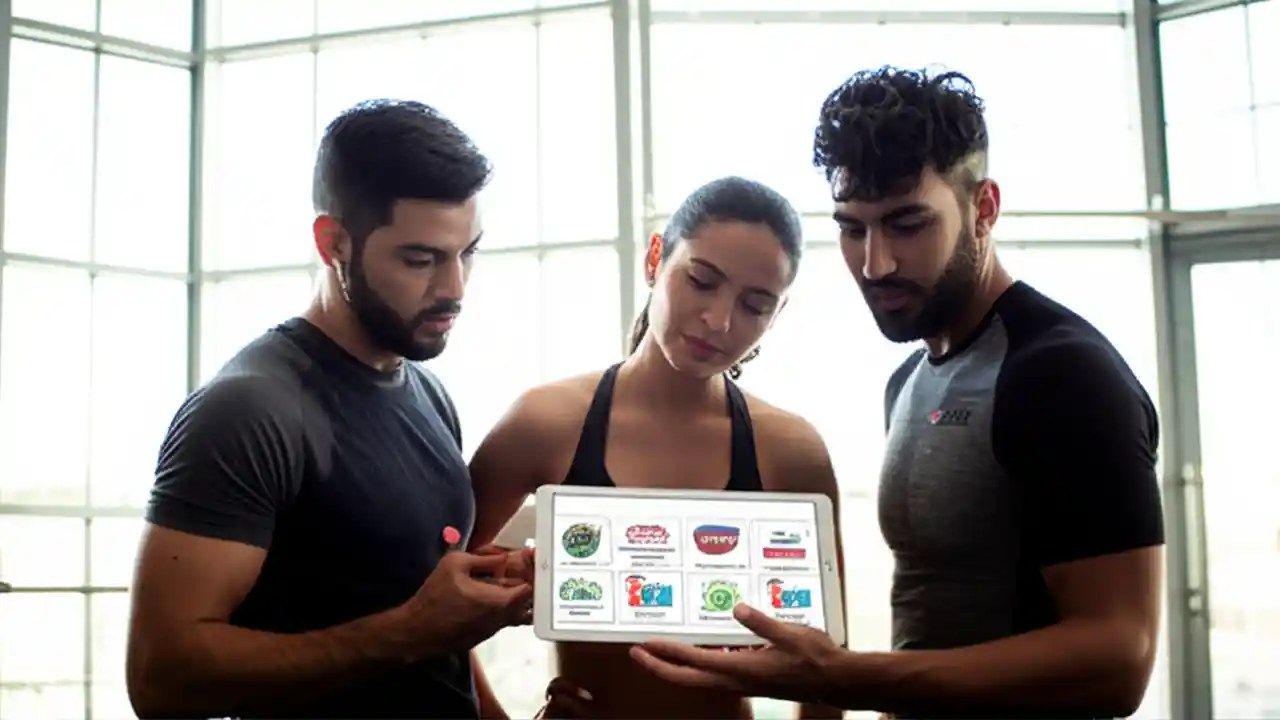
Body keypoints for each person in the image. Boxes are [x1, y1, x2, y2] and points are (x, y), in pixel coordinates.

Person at [629, 66, 1165, 719]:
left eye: (907, 224)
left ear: (984, 209)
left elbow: (1121, 660)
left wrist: (841, 678)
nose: (874, 263)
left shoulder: (1062, 373)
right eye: (853, 228)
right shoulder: (911, 379)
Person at [125, 99, 534, 719]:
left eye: (467, 253)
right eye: (420, 260)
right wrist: (406, 632)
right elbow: (160, 681)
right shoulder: (249, 411)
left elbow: (434, 634)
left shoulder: (429, 393)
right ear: (333, 243)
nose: (454, 288)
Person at [463, 176, 846, 719]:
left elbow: (826, 671)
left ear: (777, 315)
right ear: (654, 259)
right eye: (702, 281)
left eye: (755, 305)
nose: (720, 320)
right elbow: (438, 602)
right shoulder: (544, 423)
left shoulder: (791, 451)